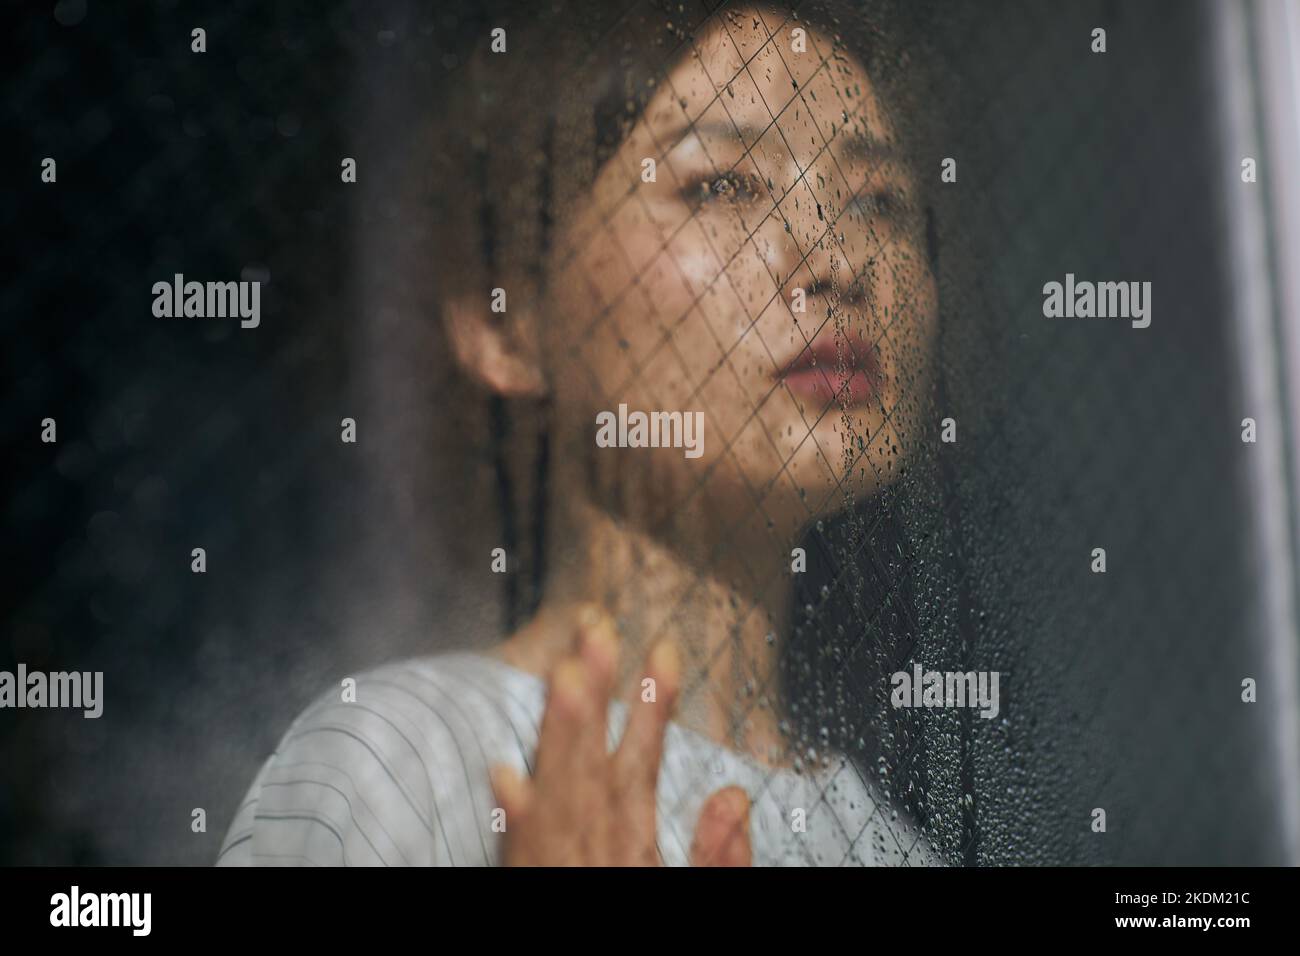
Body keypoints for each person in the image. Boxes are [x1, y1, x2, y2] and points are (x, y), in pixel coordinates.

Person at [219, 0, 944, 867]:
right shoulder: (402, 764)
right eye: (722, 184)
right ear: (507, 323)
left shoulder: (896, 850)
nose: (837, 261)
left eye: (880, 201)